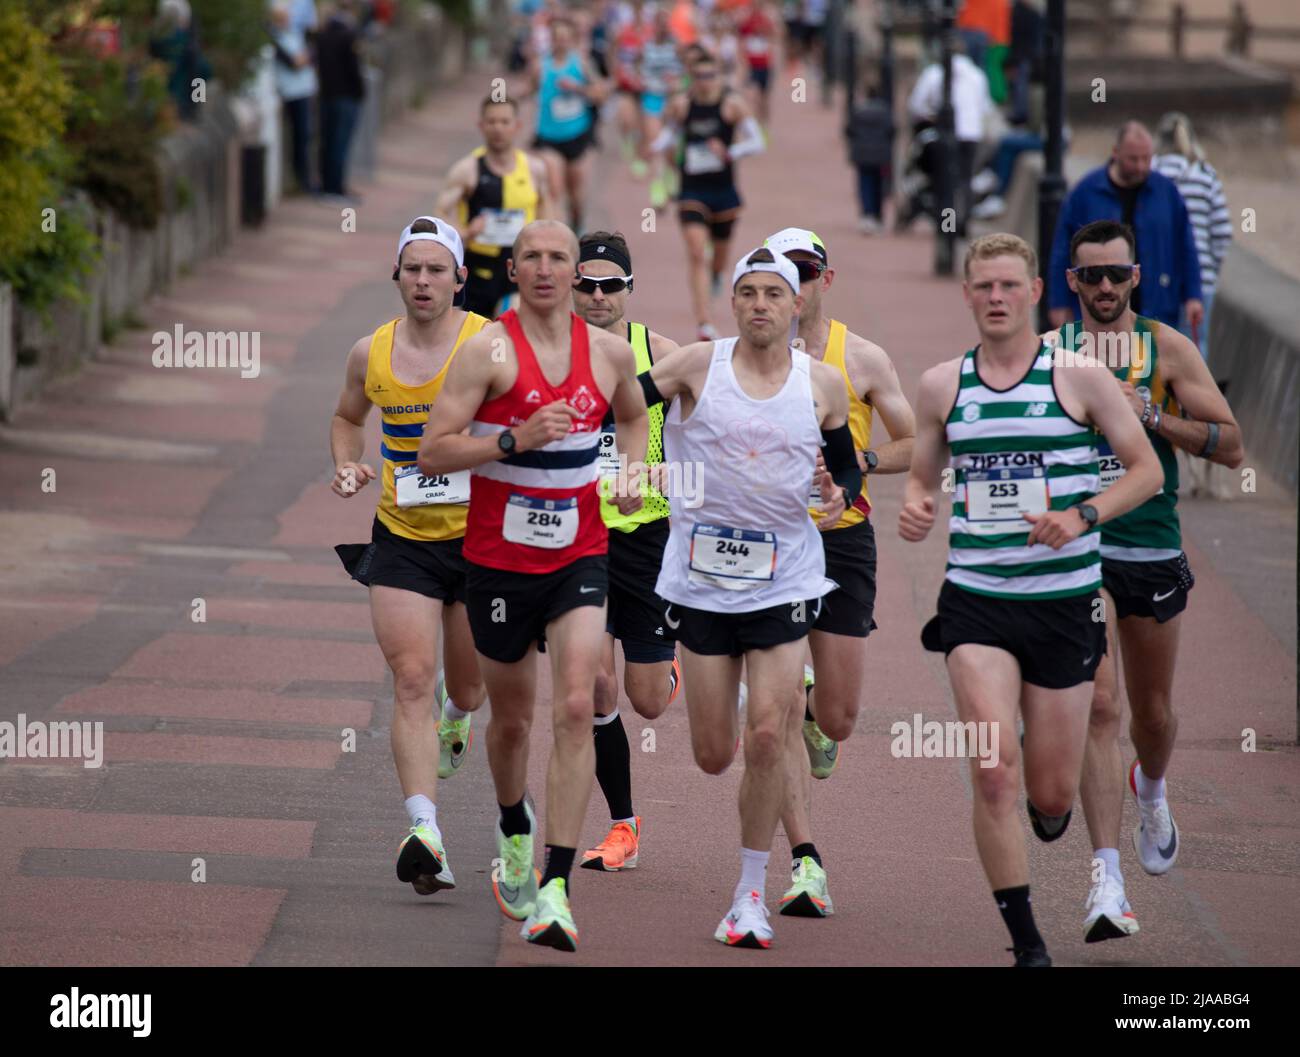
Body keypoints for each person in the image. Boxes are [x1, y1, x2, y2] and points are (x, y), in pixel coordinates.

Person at [899, 232, 1163, 967]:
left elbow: (1144, 472)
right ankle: (1027, 944)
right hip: (977, 601)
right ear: (967, 294)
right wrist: (919, 505)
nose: (995, 298)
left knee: (1048, 789)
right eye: (983, 286)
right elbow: (924, 473)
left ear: (1034, 292)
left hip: (1065, 602)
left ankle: (1054, 814)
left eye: (1009, 286)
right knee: (992, 766)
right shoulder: (941, 385)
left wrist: (1080, 516)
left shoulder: (1079, 377)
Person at [417, 220, 649, 952]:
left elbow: (637, 416)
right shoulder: (485, 352)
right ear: (514, 270)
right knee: (512, 723)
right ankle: (514, 819)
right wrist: (513, 440)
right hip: (496, 563)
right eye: (535, 258)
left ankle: (555, 883)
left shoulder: (610, 354)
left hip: (581, 555)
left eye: (560, 258)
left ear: (577, 271)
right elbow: (432, 451)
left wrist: (632, 470)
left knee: (579, 702)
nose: (548, 269)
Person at [643, 246, 861, 948]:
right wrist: (620, 465)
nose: (761, 303)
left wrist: (837, 494)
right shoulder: (694, 366)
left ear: (798, 305)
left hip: (786, 577)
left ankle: (748, 894)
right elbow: (619, 406)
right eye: (749, 293)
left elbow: (849, 473)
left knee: (770, 733)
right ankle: (733, 700)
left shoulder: (822, 383)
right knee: (713, 753)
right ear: (732, 302)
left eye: (775, 293)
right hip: (702, 583)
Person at [1049, 220, 1242, 942]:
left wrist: (1155, 415)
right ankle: (1107, 878)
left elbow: (1232, 445)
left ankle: (1151, 787)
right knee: (1102, 701)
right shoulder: (1050, 356)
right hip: (1079, 545)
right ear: (1070, 281)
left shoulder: (1165, 349)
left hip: (1150, 545)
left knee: (1151, 714)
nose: (1103, 288)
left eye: (1116, 275)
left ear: (1136, 276)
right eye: (1089, 276)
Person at [329, 216, 491, 899]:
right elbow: (347, 418)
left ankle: (460, 719)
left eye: (436, 269)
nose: (423, 281)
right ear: (397, 275)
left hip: (483, 539)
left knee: (470, 686)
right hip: (403, 537)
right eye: (412, 268)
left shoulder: (491, 345)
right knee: (411, 679)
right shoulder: (373, 351)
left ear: (459, 277)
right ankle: (425, 833)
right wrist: (347, 464)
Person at [763, 227, 915, 918]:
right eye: (780, 272)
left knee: (840, 716)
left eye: (807, 270)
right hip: (769, 546)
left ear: (827, 277)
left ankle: (821, 718)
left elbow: (915, 439)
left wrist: (861, 467)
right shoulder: (742, 357)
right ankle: (805, 861)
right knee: (779, 708)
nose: (796, 283)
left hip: (842, 540)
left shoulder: (862, 356)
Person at [568, 231, 683, 872]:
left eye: (611, 285)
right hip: (576, 535)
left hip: (647, 539)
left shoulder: (661, 356)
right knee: (590, 682)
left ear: (630, 290)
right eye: (587, 284)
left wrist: (673, 473)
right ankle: (623, 825)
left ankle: (666, 668)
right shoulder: (549, 355)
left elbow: (709, 433)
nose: (598, 296)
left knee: (647, 701)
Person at [1048, 121, 1203, 333]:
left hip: (1157, 308)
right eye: (1133, 159)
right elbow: (1061, 250)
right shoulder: (1085, 192)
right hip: (1098, 312)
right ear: (1115, 153)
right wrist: (1058, 302)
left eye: (1146, 159)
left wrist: (1193, 295)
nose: (1140, 166)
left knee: (1151, 364)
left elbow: (1186, 245)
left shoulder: (1166, 192)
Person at [656, 47, 765, 340]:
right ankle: (704, 322)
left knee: (719, 256)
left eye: (711, 75)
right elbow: (669, 134)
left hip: (724, 191)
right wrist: (657, 145)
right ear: (692, 78)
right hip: (691, 188)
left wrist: (730, 151)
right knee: (695, 252)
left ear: (720, 76)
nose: (705, 81)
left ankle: (717, 276)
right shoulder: (682, 105)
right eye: (699, 76)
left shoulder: (732, 106)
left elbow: (758, 142)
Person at [436, 96, 554, 320]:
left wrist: (546, 244)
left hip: (520, 265)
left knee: (514, 323)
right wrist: (465, 231)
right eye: (491, 122)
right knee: (479, 332)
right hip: (479, 266)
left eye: (504, 121)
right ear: (481, 125)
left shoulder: (535, 169)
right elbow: (441, 213)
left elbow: (547, 211)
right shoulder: (467, 169)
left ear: (517, 125)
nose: (498, 128)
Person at [1152, 112, 1231, 360]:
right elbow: (1222, 232)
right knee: (1194, 348)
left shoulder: (1152, 174)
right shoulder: (1206, 174)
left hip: (1158, 277)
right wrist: (1211, 271)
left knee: (1157, 347)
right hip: (1202, 280)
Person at [907, 37, 993, 238]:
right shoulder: (977, 75)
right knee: (964, 180)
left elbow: (917, 105)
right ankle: (962, 225)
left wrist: (933, 115)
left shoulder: (934, 73)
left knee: (944, 182)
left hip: (945, 133)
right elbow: (985, 107)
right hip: (971, 134)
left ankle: (947, 227)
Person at [529, 15, 608, 231]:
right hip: (547, 135)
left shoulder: (581, 63)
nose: (560, 42)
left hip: (577, 134)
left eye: (565, 38)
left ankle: (576, 226)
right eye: (556, 37)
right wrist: (505, 96)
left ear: (572, 40)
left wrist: (578, 88)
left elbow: (601, 94)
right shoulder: (540, 65)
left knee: (576, 193)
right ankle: (557, 235)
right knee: (554, 186)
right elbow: (530, 88)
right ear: (551, 39)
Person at [316, 0, 366, 200]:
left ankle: (326, 184)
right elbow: (354, 70)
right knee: (340, 144)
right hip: (346, 98)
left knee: (327, 142)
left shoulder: (323, 35)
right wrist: (360, 92)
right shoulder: (349, 36)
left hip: (327, 96)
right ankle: (335, 187)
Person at [270, 0, 318, 194]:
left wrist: (305, 58)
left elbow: (310, 54)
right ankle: (302, 180)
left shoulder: (293, 34)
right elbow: (295, 61)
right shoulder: (275, 37)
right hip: (292, 92)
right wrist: (304, 58)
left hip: (305, 89)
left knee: (306, 135)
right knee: (301, 135)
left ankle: (305, 178)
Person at [845, 78, 894, 235]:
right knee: (879, 186)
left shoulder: (858, 110)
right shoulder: (885, 110)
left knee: (865, 184)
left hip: (863, 155)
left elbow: (849, 130)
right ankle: (878, 215)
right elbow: (892, 130)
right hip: (880, 156)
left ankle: (867, 214)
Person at [737, 0, 778, 125]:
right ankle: (756, 122)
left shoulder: (767, 21)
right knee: (754, 95)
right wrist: (743, 62)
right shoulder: (746, 22)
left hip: (765, 64)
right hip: (752, 65)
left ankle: (765, 122)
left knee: (765, 97)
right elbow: (741, 41)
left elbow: (776, 37)